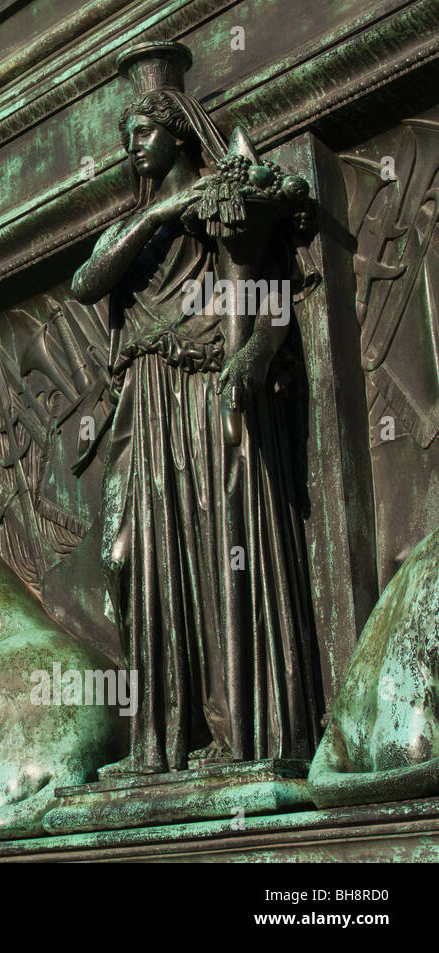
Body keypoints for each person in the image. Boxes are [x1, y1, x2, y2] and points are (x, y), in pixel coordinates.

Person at [71, 53, 321, 775]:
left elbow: (268, 294)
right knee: (129, 559)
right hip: (146, 403)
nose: (133, 150)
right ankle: (161, 738)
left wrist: (252, 357)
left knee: (221, 548)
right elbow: (87, 282)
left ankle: (237, 735)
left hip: (203, 387)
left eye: (143, 136)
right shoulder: (140, 223)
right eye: (127, 142)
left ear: (178, 135)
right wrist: (156, 210)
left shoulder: (224, 201)